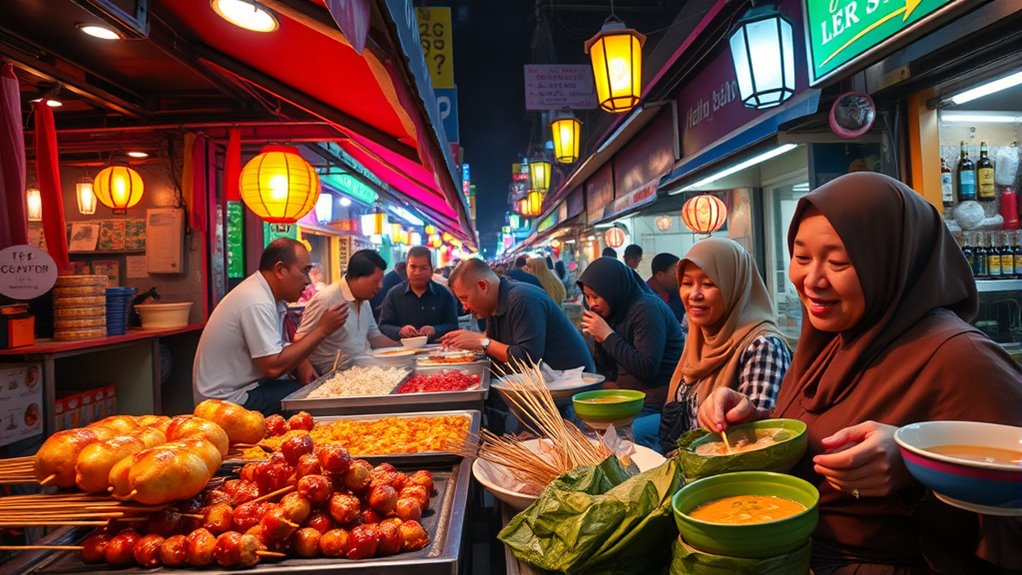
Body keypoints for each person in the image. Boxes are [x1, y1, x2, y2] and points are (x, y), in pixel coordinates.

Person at [698, 173, 1022, 574]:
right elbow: (822, 430)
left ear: (890, 262)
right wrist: (757, 423)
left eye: (838, 262)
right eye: (801, 257)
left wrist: (917, 464)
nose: (812, 280)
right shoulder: (836, 338)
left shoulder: (960, 357)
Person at [660, 238, 790, 450]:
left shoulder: (763, 346)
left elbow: (761, 444)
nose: (694, 295)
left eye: (708, 284)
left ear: (734, 286)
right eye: (686, 283)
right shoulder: (699, 337)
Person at [193, 239, 346, 415]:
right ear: (280, 270)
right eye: (305, 271)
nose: (307, 282)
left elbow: (277, 348)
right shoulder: (256, 301)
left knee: (309, 387)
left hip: (247, 387)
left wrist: (302, 362)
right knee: (311, 398)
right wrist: (322, 329)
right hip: (226, 401)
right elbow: (272, 367)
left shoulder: (269, 296)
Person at [577, 257, 684, 452]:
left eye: (595, 296)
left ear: (613, 290)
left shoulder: (646, 308)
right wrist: (600, 340)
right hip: (632, 397)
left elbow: (646, 368)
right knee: (580, 422)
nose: (591, 303)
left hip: (662, 402)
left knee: (626, 437)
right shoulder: (615, 311)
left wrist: (608, 335)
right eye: (587, 297)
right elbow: (608, 370)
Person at [442, 258, 593, 372]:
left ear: (483, 286)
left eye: (464, 298)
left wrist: (482, 342)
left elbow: (527, 359)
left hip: (570, 386)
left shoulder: (522, 299)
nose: (465, 308)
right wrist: (468, 342)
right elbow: (496, 343)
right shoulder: (495, 303)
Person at [295, 249, 397, 379]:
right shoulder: (326, 299)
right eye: (375, 281)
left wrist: (405, 348)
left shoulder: (364, 300)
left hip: (366, 371)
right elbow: (299, 339)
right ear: (358, 278)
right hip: (334, 377)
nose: (380, 286)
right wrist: (305, 367)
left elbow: (374, 336)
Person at [378, 246, 458, 343]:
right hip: (404, 350)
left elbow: (453, 324)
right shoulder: (394, 294)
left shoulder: (443, 293)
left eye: (423, 268)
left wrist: (435, 329)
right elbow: (383, 326)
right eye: (413, 267)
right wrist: (400, 331)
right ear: (406, 267)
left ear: (431, 269)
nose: (417, 272)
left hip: (436, 349)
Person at [647, 252, 686, 325]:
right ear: (660, 275)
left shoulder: (674, 292)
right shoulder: (648, 299)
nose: (679, 279)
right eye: (676, 274)